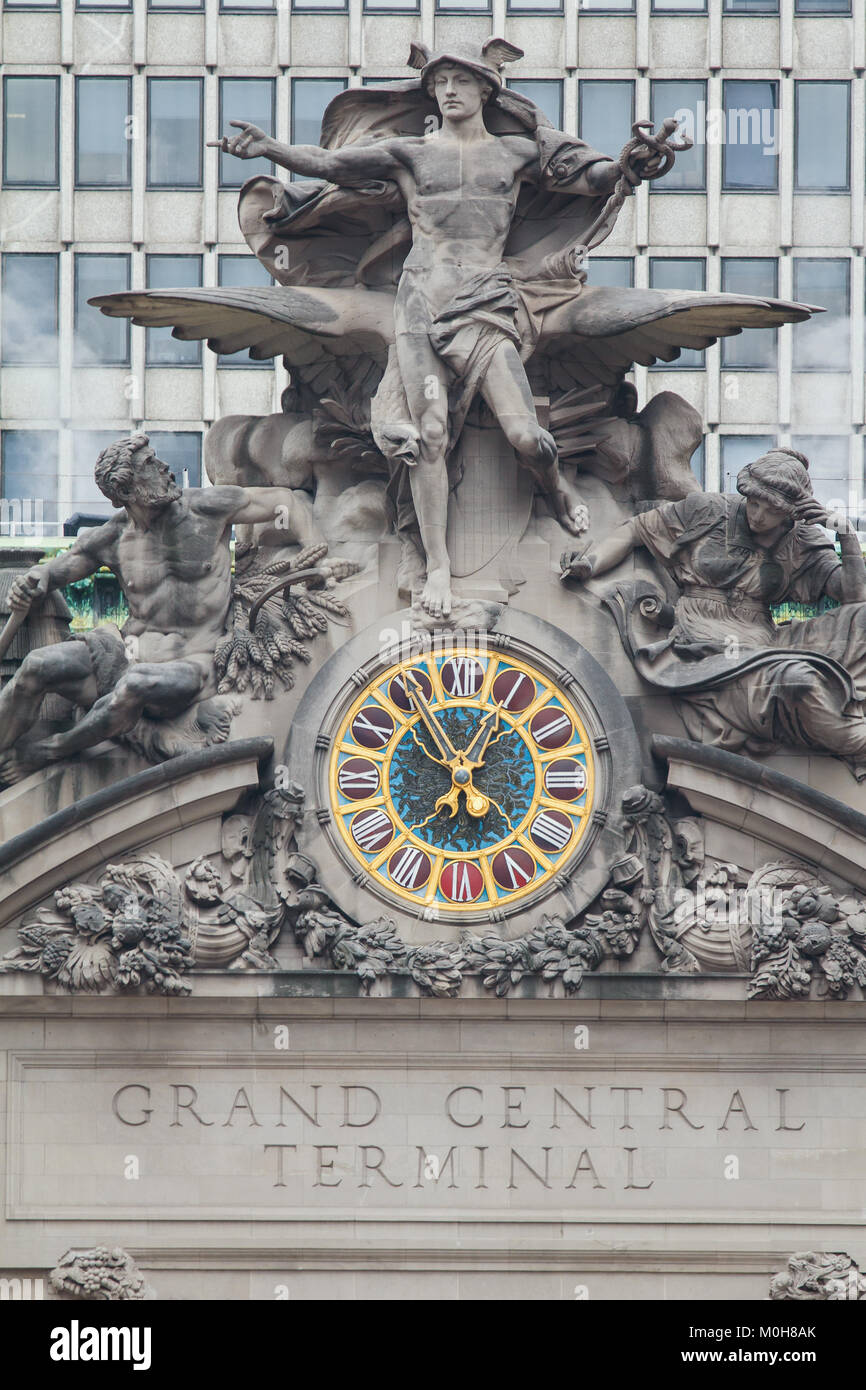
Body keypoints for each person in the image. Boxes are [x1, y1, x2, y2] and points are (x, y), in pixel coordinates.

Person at [213, 41, 666, 618]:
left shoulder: (517, 154)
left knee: (527, 436)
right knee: (426, 437)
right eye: (439, 82)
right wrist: (271, 148)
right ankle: (436, 568)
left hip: (486, 303)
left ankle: (557, 487)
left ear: (486, 90)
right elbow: (329, 165)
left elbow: (592, 178)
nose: (448, 91)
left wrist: (631, 165)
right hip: (421, 305)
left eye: (459, 81)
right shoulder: (408, 154)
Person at [0, 434, 314, 781]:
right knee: (36, 665)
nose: (164, 467)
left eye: (156, 458)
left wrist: (321, 550)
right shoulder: (113, 537)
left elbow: (285, 501)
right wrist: (33, 579)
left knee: (135, 684)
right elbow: (55, 570)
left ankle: (49, 750)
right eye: (150, 464)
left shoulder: (206, 509)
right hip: (124, 655)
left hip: (193, 665)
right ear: (126, 491)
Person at [561, 448, 866, 777]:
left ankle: (844, 706)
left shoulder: (802, 541)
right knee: (799, 681)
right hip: (706, 635)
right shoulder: (708, 509)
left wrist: (846, 537)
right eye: (754, 502)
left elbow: (854, 596)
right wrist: (589, 564)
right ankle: (852, 738)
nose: (758, 515)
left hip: (764, 637)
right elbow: (634, 531)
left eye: (771, 510)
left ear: (791, 513)